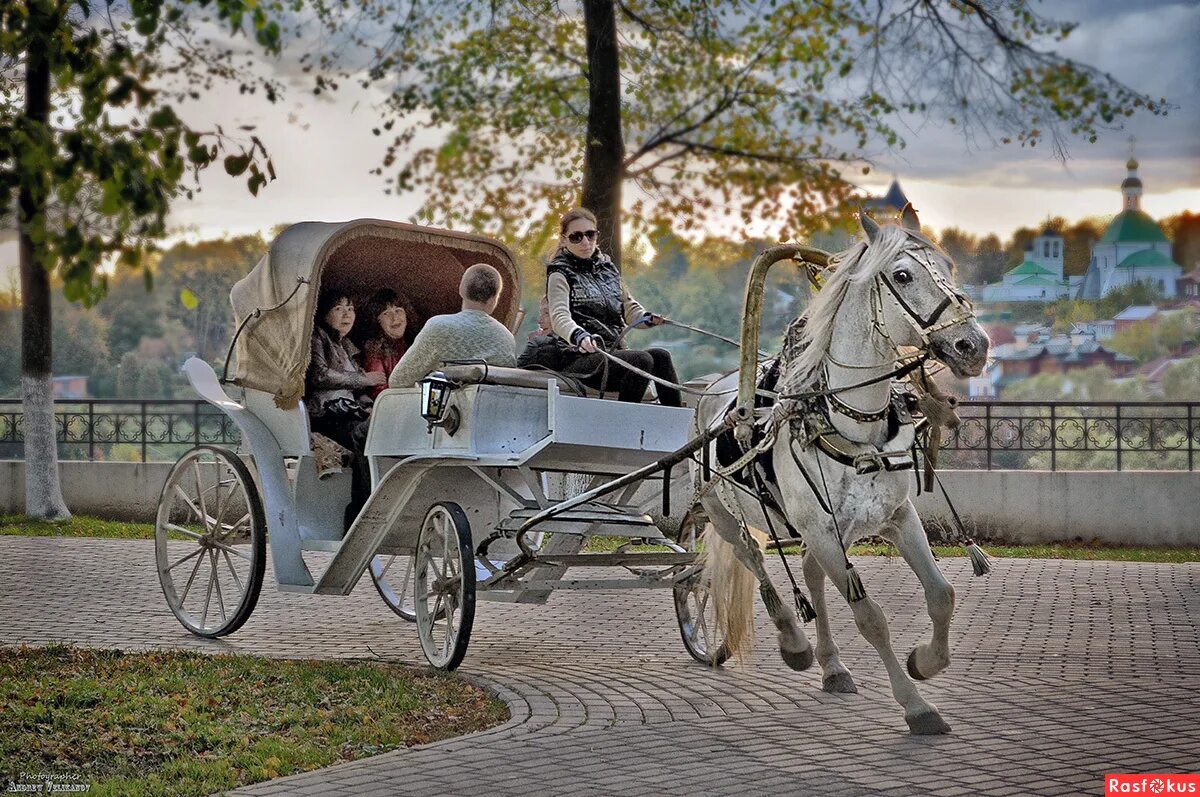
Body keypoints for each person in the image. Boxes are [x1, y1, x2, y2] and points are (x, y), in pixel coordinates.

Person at [520, 207, 682, 406]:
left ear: (597, 234)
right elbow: (560, 316)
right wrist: (579, 335)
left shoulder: (609, 269)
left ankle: (679, 429)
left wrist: (647, 318)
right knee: (642, 360)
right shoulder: (559, 273)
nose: (586, 242)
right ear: (564, 239)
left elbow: (629, 308)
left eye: (590, 234)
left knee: (661, 356)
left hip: (612, 352)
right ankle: (625, 425)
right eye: (576, 237)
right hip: (578, 357)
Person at [305, 290, 384, 530]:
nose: (346, 314)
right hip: (327, 413)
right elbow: (319, 375)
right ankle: (358, 515)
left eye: (350, 308)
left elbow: (358, 390)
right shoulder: (317, 337)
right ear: (326, 314)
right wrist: (365, 380)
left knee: (377, 430)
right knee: (364, 436)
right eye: (338, 309)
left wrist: (371, 407)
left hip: (350, 411)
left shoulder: (348, 347)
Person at [387, 263, 517, 388]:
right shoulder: (507, 339)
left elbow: (398, 380)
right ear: (493, 299)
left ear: (461, 290)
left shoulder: (438, 327)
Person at [359, 288, 418, 399]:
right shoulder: (374, 349)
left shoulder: (412, 342)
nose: (395, 318)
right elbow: (379, 392)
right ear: (377, 320)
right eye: (386, 313)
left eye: (398, 310)